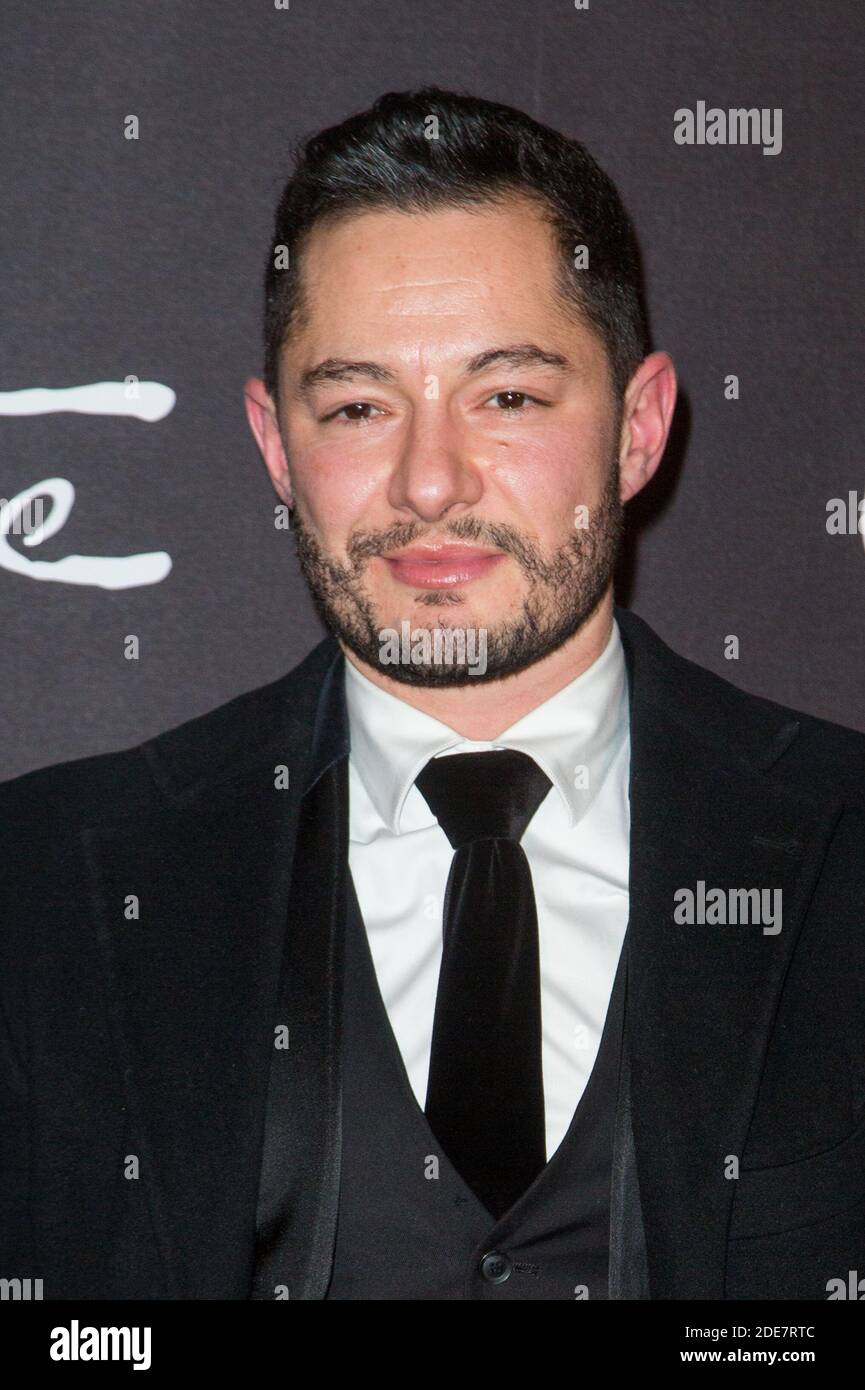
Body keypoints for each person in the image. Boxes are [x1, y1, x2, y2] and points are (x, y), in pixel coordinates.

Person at [2, 87, 863, 1302]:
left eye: (507, 395)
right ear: (273, 446)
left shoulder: (843, 845)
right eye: (358, 406)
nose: (426, 481)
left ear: (637, 426)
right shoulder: (43, 886)